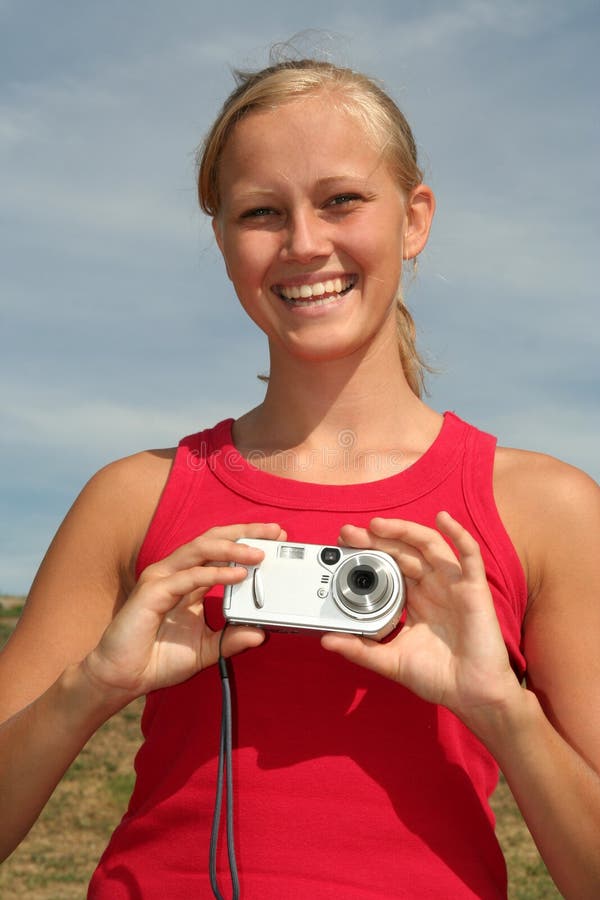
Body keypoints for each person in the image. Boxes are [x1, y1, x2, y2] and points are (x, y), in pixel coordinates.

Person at [1, 56, 599, 900]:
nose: (305, 243)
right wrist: (92, 687)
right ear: (223, 240)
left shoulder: (545, 511)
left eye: (341, 200)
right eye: (261, 212)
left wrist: (503, 708)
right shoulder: (133, 497)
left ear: (415, 219)